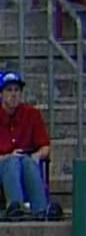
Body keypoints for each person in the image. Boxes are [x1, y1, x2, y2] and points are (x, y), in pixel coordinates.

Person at [0, 71, 60, 221]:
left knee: (28, 162)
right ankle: (15, 208)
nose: (13, 94)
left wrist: (37, 155)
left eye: (17, 90)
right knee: (12, 162)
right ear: (1, 94)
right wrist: (7, 157)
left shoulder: (32, 114)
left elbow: (45, 147)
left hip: (25, 161)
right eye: (9, 90)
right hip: (3, 163)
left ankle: (40, 209)